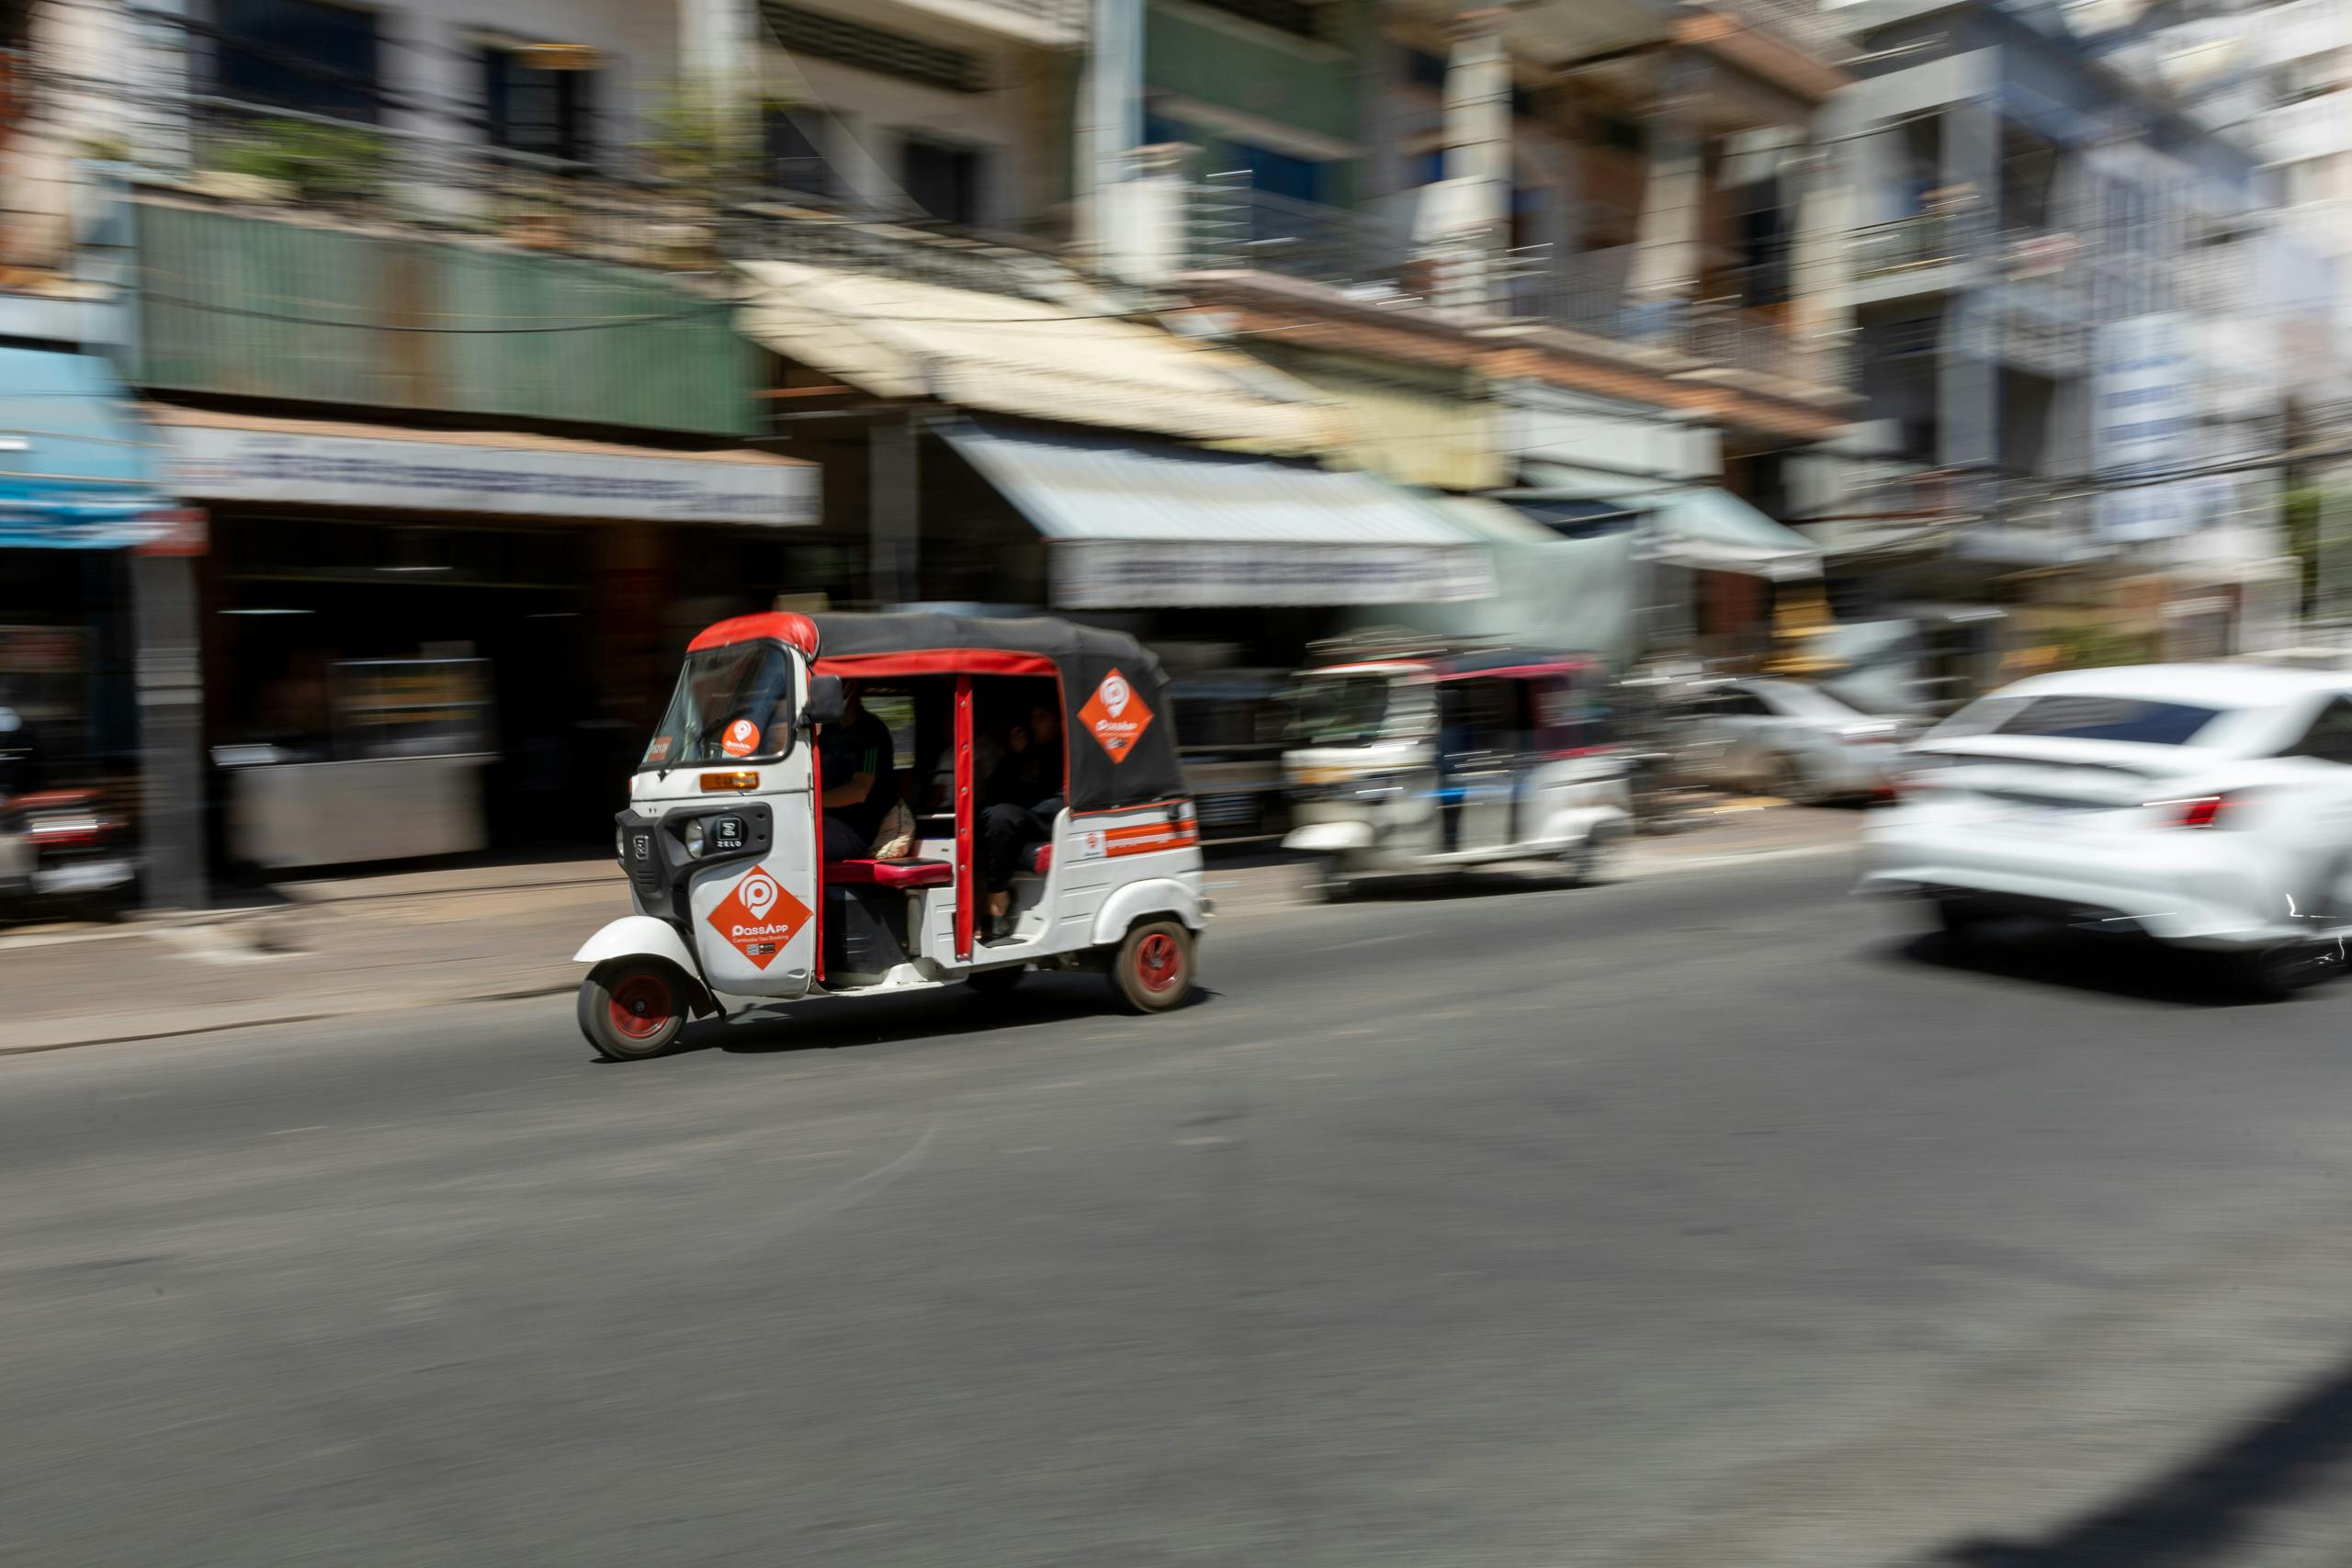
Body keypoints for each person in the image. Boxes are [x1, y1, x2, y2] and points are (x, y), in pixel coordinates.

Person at [979, 697, 1064, 931]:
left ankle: (998, 897)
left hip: (1048, 820)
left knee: (1002, 816)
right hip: (1019, 817)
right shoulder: (1025, 751)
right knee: (983, 817)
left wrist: (1024, 810)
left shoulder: (1064, 752)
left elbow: (1060, 802)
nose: (1033, 723)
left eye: (1041, 718)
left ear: (1058, 722)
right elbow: (994, 790)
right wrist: (1013, 756)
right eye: (1032, 718)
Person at [817, 682, 897, 861]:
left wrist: (810, 802)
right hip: (825, 821)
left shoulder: (872, 733)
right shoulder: (828, 732)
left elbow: (859, 791)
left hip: (853, 832)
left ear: (850, 688)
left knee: (795, 835)